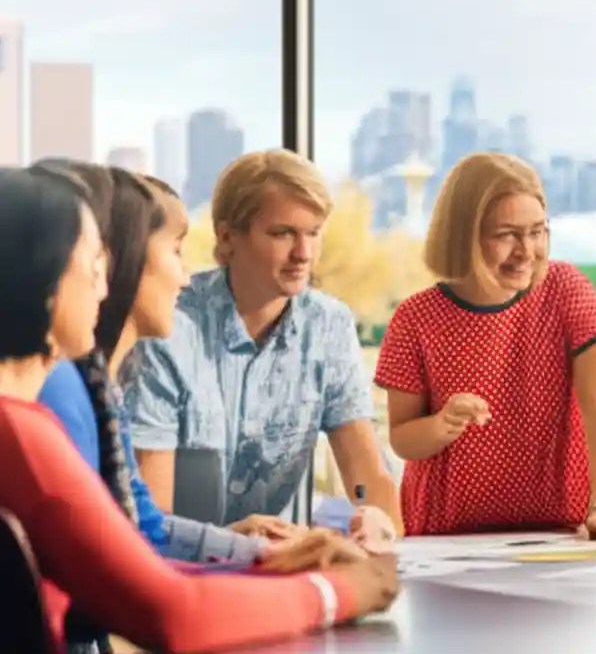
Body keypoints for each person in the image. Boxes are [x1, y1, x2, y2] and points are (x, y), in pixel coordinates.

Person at [0, 163, 397, 651]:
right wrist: (335, 592)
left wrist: (276, 560)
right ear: (43, 279)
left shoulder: (36, 416)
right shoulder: (23, 434)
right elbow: (170, 613)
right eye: (93, 264)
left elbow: (139, 551)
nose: (105, 287)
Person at [125, 150, 401, 543]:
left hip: (278, 568)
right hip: (183, 570)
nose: (303, 253)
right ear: (227, 237)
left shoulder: (328, 326)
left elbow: (368, 480)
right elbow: (151, 522)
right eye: (282, 233)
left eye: (314, 232)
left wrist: (374, 517)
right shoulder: (169, 327)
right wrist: (230, 541)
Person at [38, 164, 298, 565]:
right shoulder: (64, 392)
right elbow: (116, 563)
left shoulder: (102, 390)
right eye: (175, 252)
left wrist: (253, 551)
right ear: (125, 260)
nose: (185, 277)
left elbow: (143, 528)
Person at [375, 152, 596, 538]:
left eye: (538, 231)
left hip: (560, 533)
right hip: (444, 539)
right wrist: (443, 424)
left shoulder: (569, 291)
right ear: (464, 237)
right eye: (507, 235)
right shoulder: (415, 319)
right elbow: (402, 439)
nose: (527, 250)